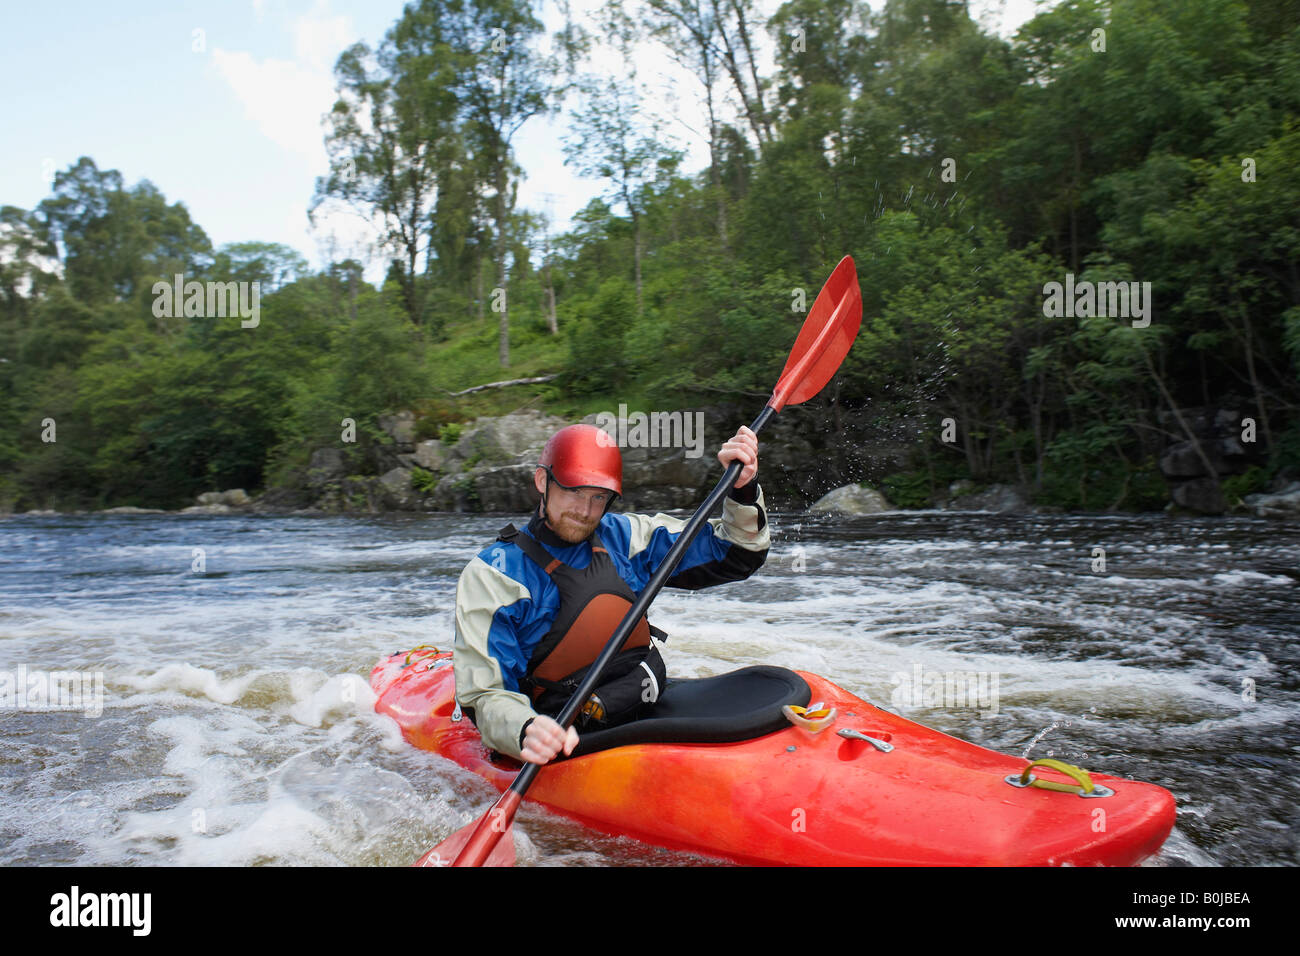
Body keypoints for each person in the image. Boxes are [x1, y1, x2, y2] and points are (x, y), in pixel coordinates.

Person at [452, 422, 768, 765]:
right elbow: (485, 693)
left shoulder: (625, 537)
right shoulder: (494, 575)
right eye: (574, 492)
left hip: (637, 700)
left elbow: (737, 553)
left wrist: (742, 489)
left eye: (598, 497)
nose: (585, 511)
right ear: (543, 481)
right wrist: (525, 728)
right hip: (563, 735)